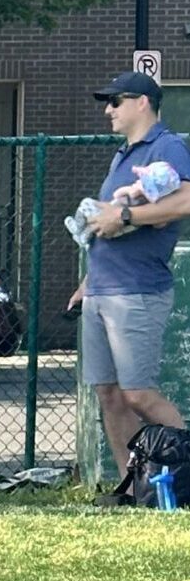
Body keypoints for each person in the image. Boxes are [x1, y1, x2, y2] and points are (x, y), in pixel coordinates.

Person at [67, 71, 190, 479]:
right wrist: (88, 283)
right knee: (110, 395)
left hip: (137, 291)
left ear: (142, 102)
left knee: (138, 394)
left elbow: (185, 200)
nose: (108, 110)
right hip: (102, 290)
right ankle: (132, 488)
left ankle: (184, 476)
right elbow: (105, 225)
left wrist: (124, 215)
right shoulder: (124, 153)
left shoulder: (167, 146)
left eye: (115, 101)